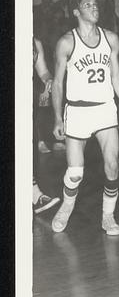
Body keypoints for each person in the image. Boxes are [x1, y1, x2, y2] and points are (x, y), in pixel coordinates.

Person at [51, 0, 119, 235]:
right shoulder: (66, 42)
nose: (94, 8)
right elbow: (57, 83)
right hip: (77, 111)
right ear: (76, 11)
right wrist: (57, 117)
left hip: (105, 109)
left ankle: (108, 217)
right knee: (75, 173)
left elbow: (116, 76)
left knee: (112, 165)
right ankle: (66, 205)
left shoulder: (111, 38)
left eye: (96, 4)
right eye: (88, 5)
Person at [32, 37, 60, 214]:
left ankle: (35, 195)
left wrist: (48, 82)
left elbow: (42, 71)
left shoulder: (36, 42)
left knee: (29, 146)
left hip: (27, 98)